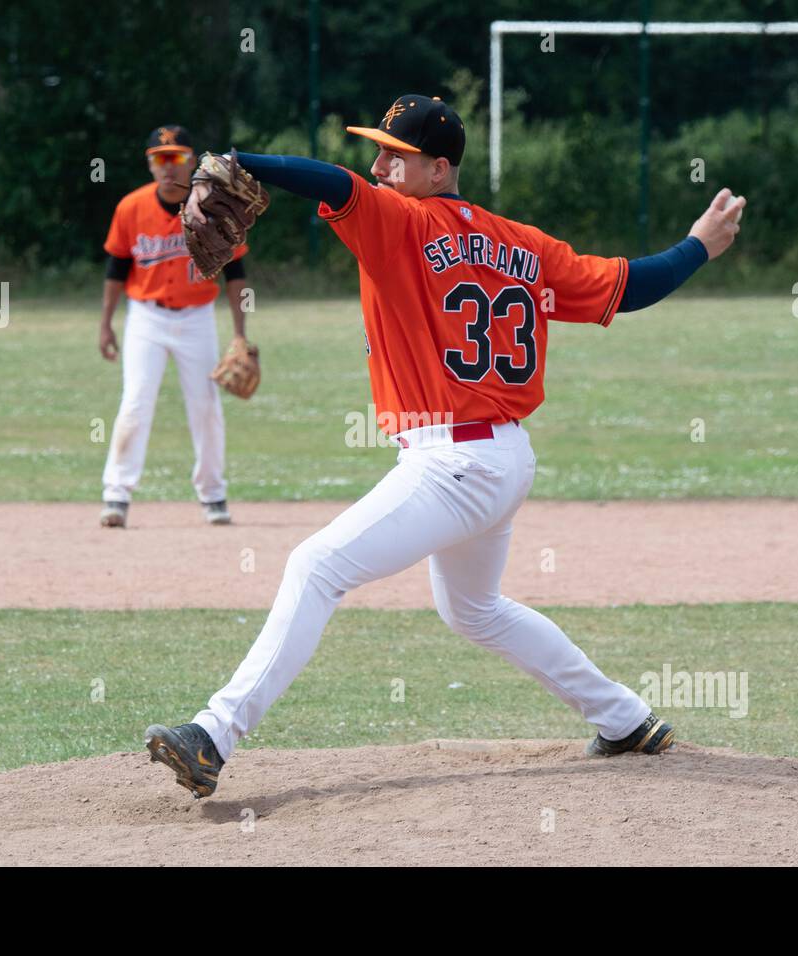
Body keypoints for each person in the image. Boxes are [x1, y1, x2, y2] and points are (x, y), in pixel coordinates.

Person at [145, 95, 746, 798]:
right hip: (503, 458)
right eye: (378, 152)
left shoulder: (398, 220)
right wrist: (698, 245)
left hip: (452, 461)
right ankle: (624, 718)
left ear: (437, 169)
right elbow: (630, 286)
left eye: (394, 157)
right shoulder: (524, 243)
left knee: (315, 566)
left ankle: (214, 735)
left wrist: (247, 163)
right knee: (473, 609)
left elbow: (336, 183)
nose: (379, 166)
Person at [98, 125, 252, 529]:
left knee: (205, 405)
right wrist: (105, 325)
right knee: (135, 402)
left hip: (197, 318)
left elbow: (236, 272)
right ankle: (116, 494)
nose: (169, 167)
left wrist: (239, 333)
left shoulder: (215, 207)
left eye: (178, 157)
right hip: (145, 317)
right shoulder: (130, 207)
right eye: (161, 159)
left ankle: (213, 494)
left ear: (191, 161)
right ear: (150, 164)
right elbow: (116, 267)